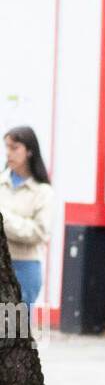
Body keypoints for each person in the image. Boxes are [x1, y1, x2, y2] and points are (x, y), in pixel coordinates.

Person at [0, 125, 53, 330]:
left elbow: (39, 232)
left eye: (15, 148)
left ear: (29, 151)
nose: (9, 153)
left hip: (23, 267)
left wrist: (5, 220)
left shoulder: (42, 192)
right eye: (7, 147)